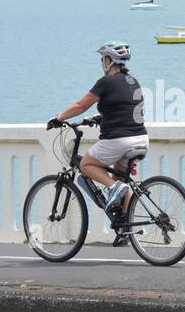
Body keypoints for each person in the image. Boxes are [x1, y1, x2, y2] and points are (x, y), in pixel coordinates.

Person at [48, 40, 147, 221]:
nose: (102, 63)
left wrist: (59, 118)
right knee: (121, 178)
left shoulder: (106, 82)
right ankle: (125, 227)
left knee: (86, 165)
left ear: (109, 60)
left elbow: (80, 105)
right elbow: (125, 107)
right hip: (141, 138)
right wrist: (100, 118)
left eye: (103, 59)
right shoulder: (133, 81)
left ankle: (113, 187)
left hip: (118, 140)